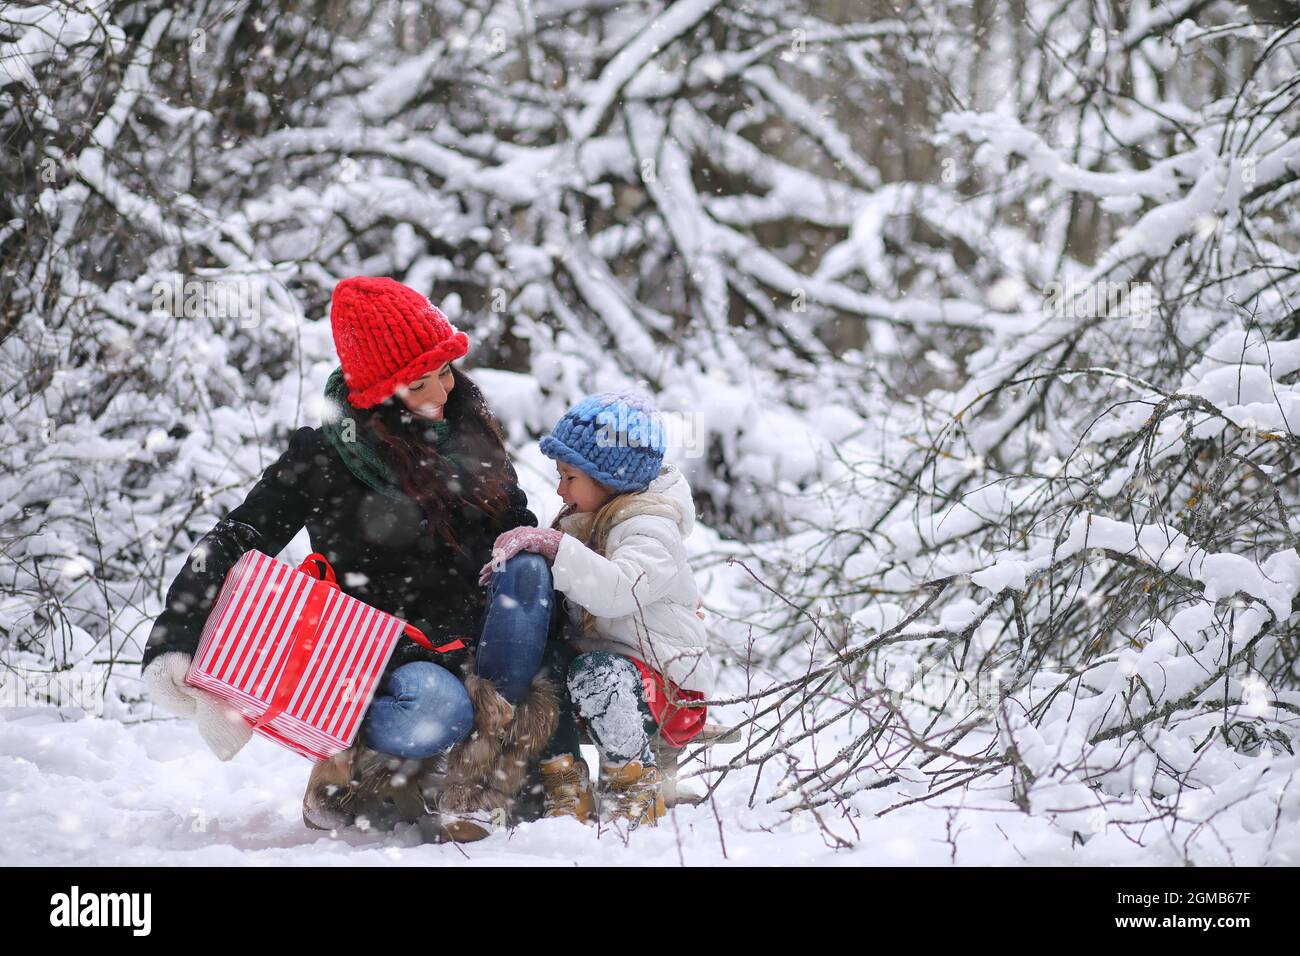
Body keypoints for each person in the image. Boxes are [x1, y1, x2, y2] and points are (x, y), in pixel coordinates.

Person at [141, 276, 561, 841]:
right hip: (382, 658)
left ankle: (486, 772)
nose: (441, 392)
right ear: (378, 395)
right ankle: (360, 764)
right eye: (419, 383)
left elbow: (516, 532)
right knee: (436, 709)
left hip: (478, 644)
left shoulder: (468, 434)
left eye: (445, 371)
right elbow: (236, 535)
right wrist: (175, 635)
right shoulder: (323, 457)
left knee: (529, 567)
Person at [481, 392, 715, 827]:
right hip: (610, 671)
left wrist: (555, 547)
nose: (559, 489)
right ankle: (563, 780)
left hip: (667, 685)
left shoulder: (650, 527)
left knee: (598, 672)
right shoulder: (589, 519)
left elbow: (617, 590)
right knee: (546, 667)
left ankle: (633, 780)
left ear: (611, 479)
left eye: (569, 476)